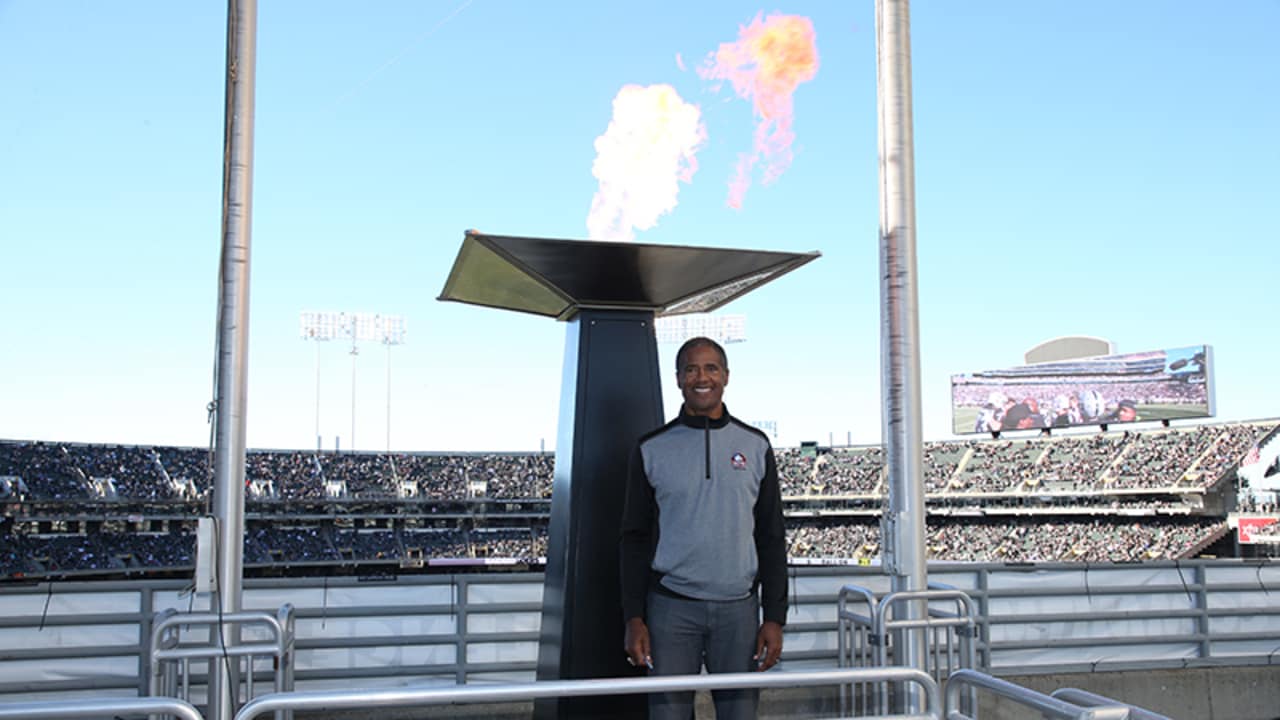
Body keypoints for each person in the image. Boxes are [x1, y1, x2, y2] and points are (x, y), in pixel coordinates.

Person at [619, 336, 788, 720]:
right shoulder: (651, 448)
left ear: (726, 376)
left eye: (711, 368)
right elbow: (634, 539)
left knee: (739, 715)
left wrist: (774, 617)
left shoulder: (756, 445)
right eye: (691, 369)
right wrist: (634, 617)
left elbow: (771, 537)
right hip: (670, 611)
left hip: (739, 612)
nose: (701, 377)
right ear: (678, 378)